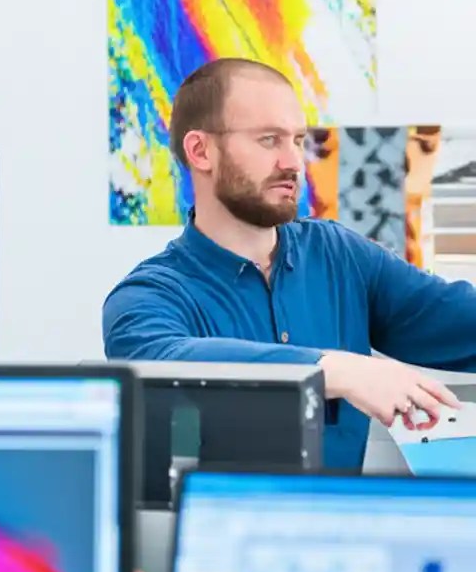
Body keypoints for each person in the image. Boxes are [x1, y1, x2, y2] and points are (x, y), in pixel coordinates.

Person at [102, 57, 476, 470]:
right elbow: (158, 358)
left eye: (297, 140)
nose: (293, 162)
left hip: (345, 525)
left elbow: (458, 322)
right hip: (218, 530)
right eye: (269, 140)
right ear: (200, 151)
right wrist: (333, 369)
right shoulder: (150, 295)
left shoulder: (340, 256)